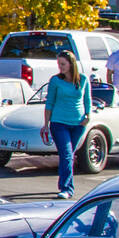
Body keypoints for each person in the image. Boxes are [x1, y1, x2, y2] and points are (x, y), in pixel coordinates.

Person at [42, 49, 92, 200]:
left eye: (63, 64)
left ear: (71, 64)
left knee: (70, 154)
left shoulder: (83, 79)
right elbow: (49, 102)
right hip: (59, 122)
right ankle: (66, 188)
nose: (60, 67)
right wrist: (46, 124)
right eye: (59, 64)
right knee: (66, 154)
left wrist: (88, 116)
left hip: (78, 123)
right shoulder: (55, 80)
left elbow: (87, 100)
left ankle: (65, 184)